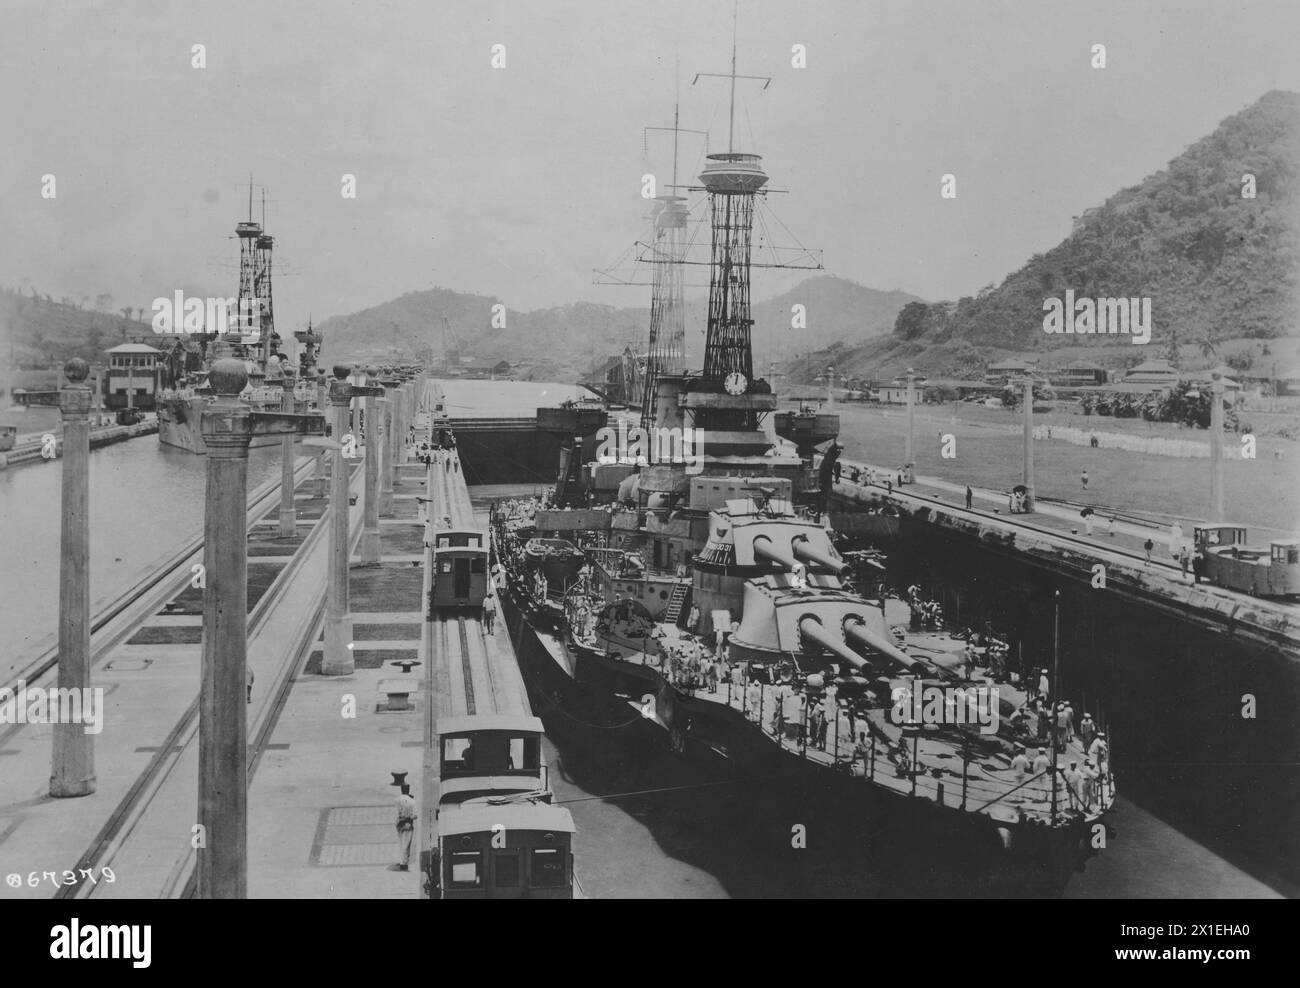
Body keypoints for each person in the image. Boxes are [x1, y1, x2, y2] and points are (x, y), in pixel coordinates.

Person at [391, 783, 417, 871]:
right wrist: (409, 817)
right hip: (408, 823)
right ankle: (404, 863)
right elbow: (415, 815)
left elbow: (395, 813)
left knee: (401, 842)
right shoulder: (412, 801)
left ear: (401, 790)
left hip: (399, 824)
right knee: (407, 843)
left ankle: (402, 860)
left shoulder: (396, 800)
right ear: (408, 789)